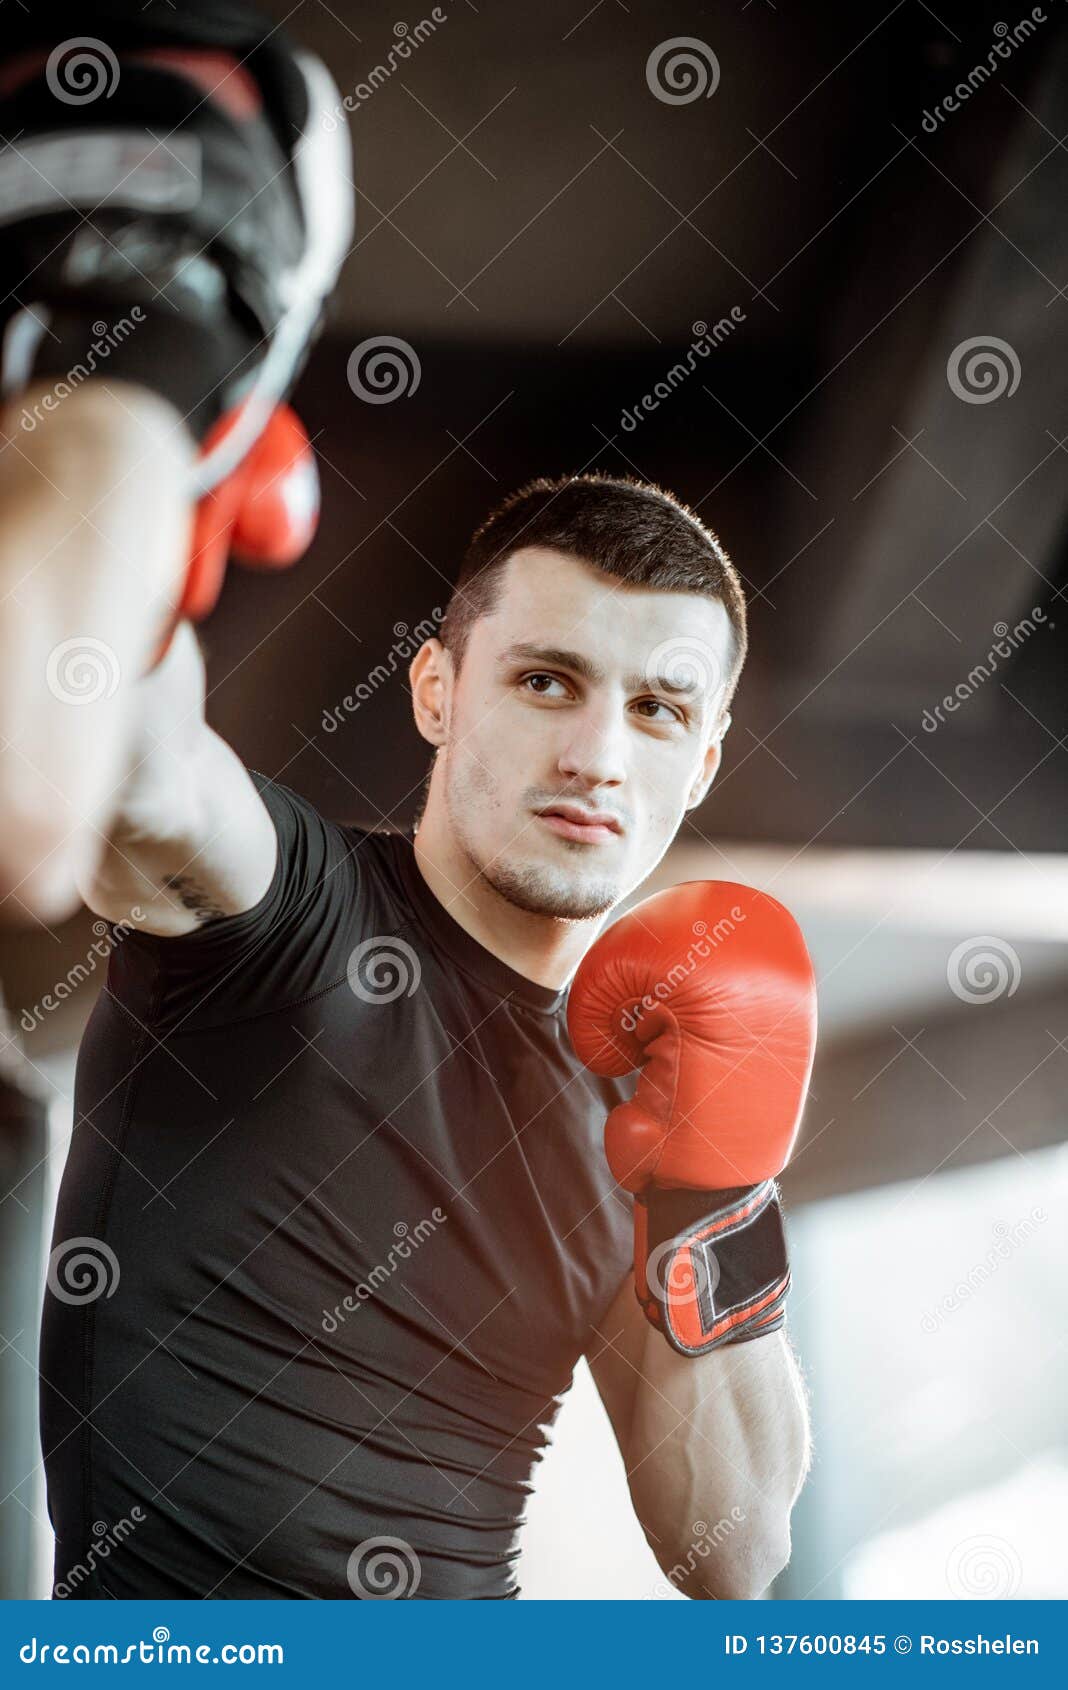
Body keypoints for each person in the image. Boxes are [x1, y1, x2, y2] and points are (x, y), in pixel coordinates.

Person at [1, 6, 813, 1603]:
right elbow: (125, 766)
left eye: (658, 709)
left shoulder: (653, 1103)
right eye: (545, 680)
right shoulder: (285, 907)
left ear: (702, 761)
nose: (599, 750)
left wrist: (720, 1188)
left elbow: (736, 1550)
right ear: (439, 690)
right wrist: (140, 402)